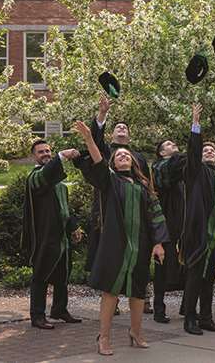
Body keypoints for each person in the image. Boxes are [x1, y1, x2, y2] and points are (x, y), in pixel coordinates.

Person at [72, 121, 168, 356]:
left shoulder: (144, 187)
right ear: (114, 162)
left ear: (134, 162)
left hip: (140, 246)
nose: (123, 156)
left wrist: (158, 243)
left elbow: (156, 215)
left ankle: (136, 332)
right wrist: (89, 140)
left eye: (127, 155)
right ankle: (103, 338)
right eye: (119, 155)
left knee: (137, 291)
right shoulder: (111, 182)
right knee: (111, 292)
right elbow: (98, 162)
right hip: (116, 245)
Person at [88, 95, 153, 315]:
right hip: (110, 213)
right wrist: (102, 115)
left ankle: (141, 297)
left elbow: (148, 185)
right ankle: (112, 299)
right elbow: (94, 147)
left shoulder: (139, 158)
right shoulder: (107, 152)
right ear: (112, 133)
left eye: (125, 127)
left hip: (137, 217)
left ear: (129, 135)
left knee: (138, 255)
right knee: (113, 255)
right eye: (118, 127)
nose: (122, 128)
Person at [180, 104, 215, 334]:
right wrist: (195, 125)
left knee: (209, 278)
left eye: (213, 151)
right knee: (194, 277)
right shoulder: (196, 173)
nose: (209, 152)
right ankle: (189, 317)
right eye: (205, 150)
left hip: (214, 237)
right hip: (197, 233)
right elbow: (193, 151)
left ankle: (206, 318)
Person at [22, 140, 84, 330]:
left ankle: (59, 310)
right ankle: (37, 316)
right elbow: (46, 175)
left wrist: (74, 227)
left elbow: (66, 210)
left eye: (48, 151)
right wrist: (62, 156)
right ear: (34, 156)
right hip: (44, 236)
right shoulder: (34, 178)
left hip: (61, 238)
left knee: (62, 276)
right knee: (40, 276)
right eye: (41, 152)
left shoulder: (61, 186)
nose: (46, 154)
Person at [150, 136, 187, 324]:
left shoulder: (179, 166)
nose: (174, 146)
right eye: (168, 145)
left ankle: (186, 307)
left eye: (175, 143)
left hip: (183, 224)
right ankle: (158, 308)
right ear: (162, 153)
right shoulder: (160, 167)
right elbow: (166, 180)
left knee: (186, 266)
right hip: (167, 224)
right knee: (162, 268)